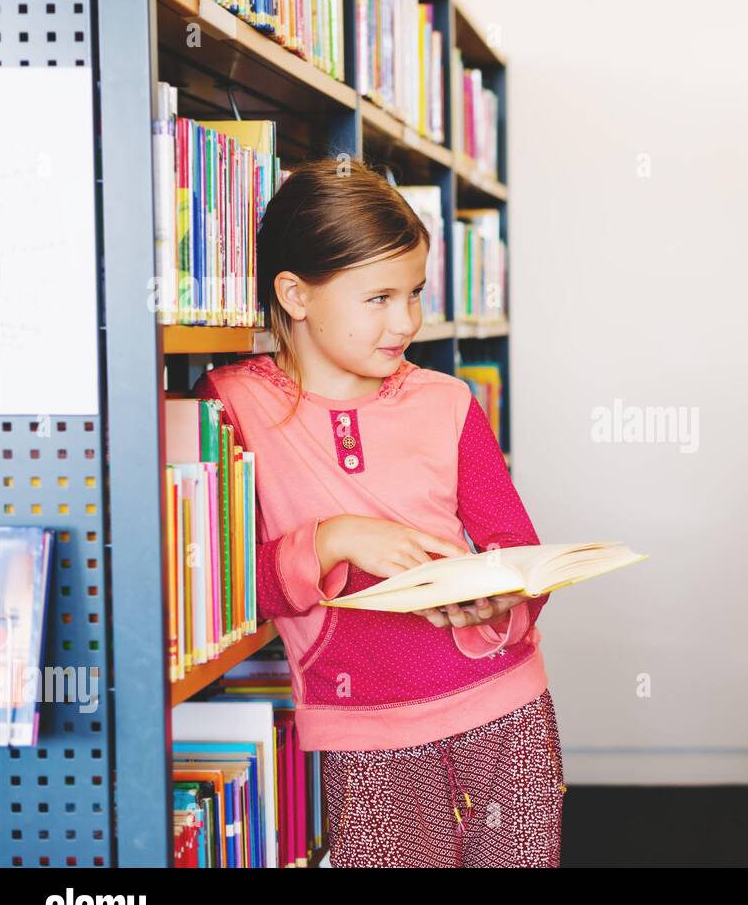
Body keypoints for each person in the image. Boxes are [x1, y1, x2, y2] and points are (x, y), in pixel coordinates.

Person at [193, 159, 565, 867]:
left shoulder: (446, 400)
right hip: (364, 732)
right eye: (380, 297)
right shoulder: (229, 408)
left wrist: (497, 597)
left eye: (416, 293)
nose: (408, 321)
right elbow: (229, 591)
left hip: (506, 709)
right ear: (296, 295)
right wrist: (333, 539)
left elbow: (517, 547)